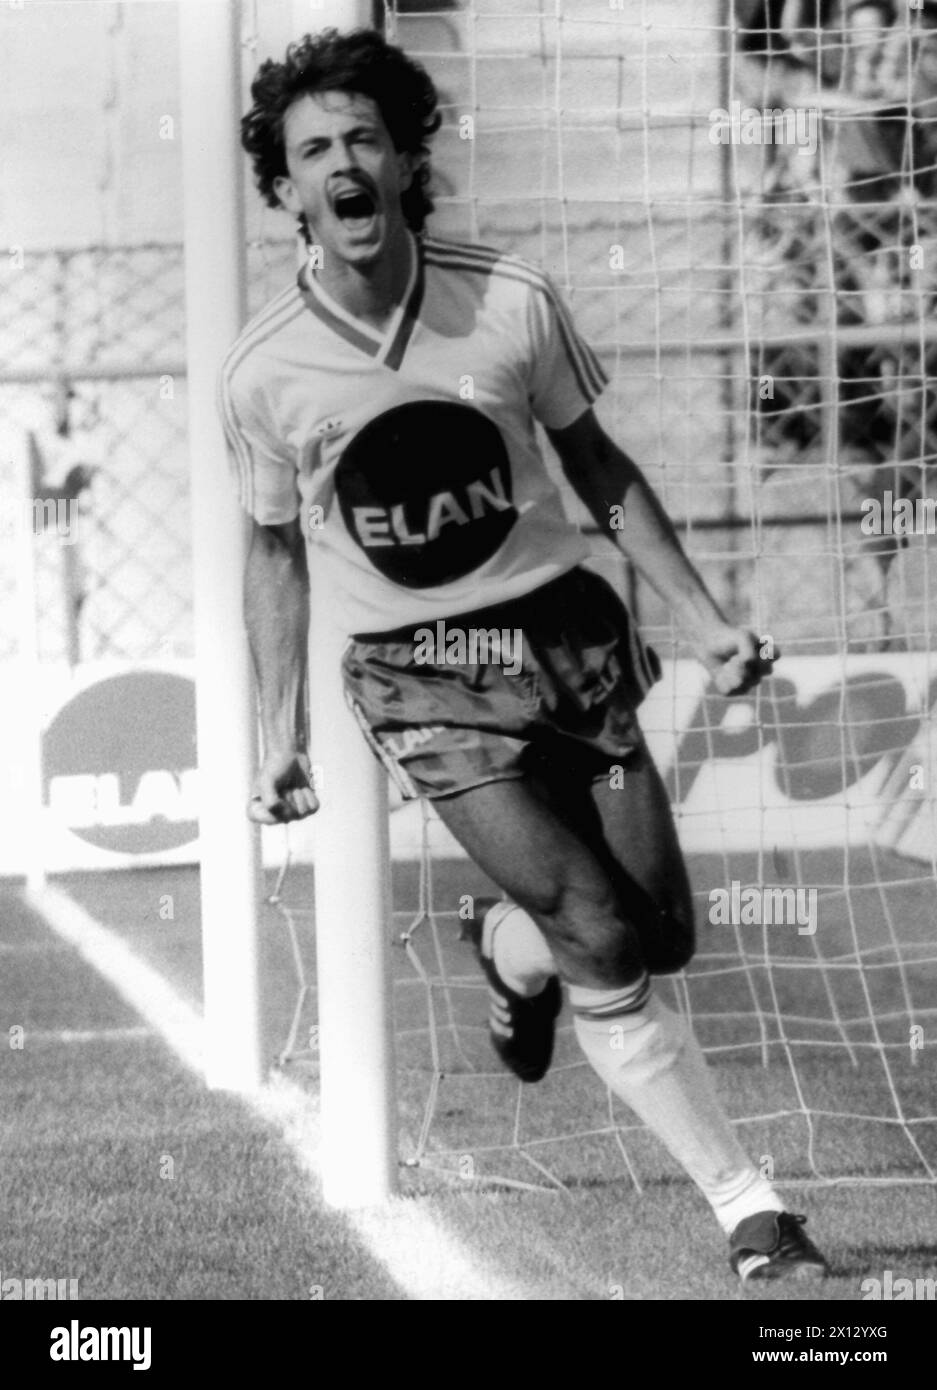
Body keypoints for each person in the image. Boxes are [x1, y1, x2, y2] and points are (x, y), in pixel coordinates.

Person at [219, 27, 828, 1285]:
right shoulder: (262, 371)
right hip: (421, 672)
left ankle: (505, 949)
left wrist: (704, 622)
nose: (341, 165)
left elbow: (597, 470)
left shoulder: (510, 299)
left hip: (570, 645)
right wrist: (276, 734)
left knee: (659, 932)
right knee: (596, 926)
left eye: (361, 140)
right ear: (285, 191)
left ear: (403, 161)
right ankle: (752, 1209)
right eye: (311, 150)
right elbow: (275, 551)